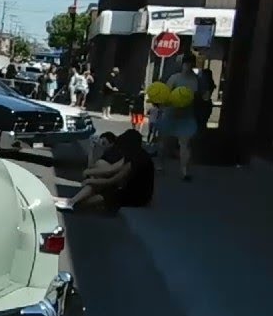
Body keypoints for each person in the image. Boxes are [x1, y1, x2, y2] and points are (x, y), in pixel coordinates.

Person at [55, 129, 154, 212]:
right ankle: (70, 201)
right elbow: (111, 169)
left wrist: (91, 180)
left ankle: (72, 202)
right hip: (128, 188)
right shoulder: (136, 153)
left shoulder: (135, 160)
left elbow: (112, 180)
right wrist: (89, 172)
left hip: (137, 196)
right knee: (97, 183)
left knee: (95, 199)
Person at [156, 53, 201, 181]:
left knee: (185, 144)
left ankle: (184, 172)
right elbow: (166, 94)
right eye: (185, 63)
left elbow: (199, 97)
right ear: (182, 65)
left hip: (186, 116)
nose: (187, 66)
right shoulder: (175, 78)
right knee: (164, 143)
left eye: (190, 63)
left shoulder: (196, 80)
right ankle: (160, 164)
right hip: (171, 114)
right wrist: (165, 105)